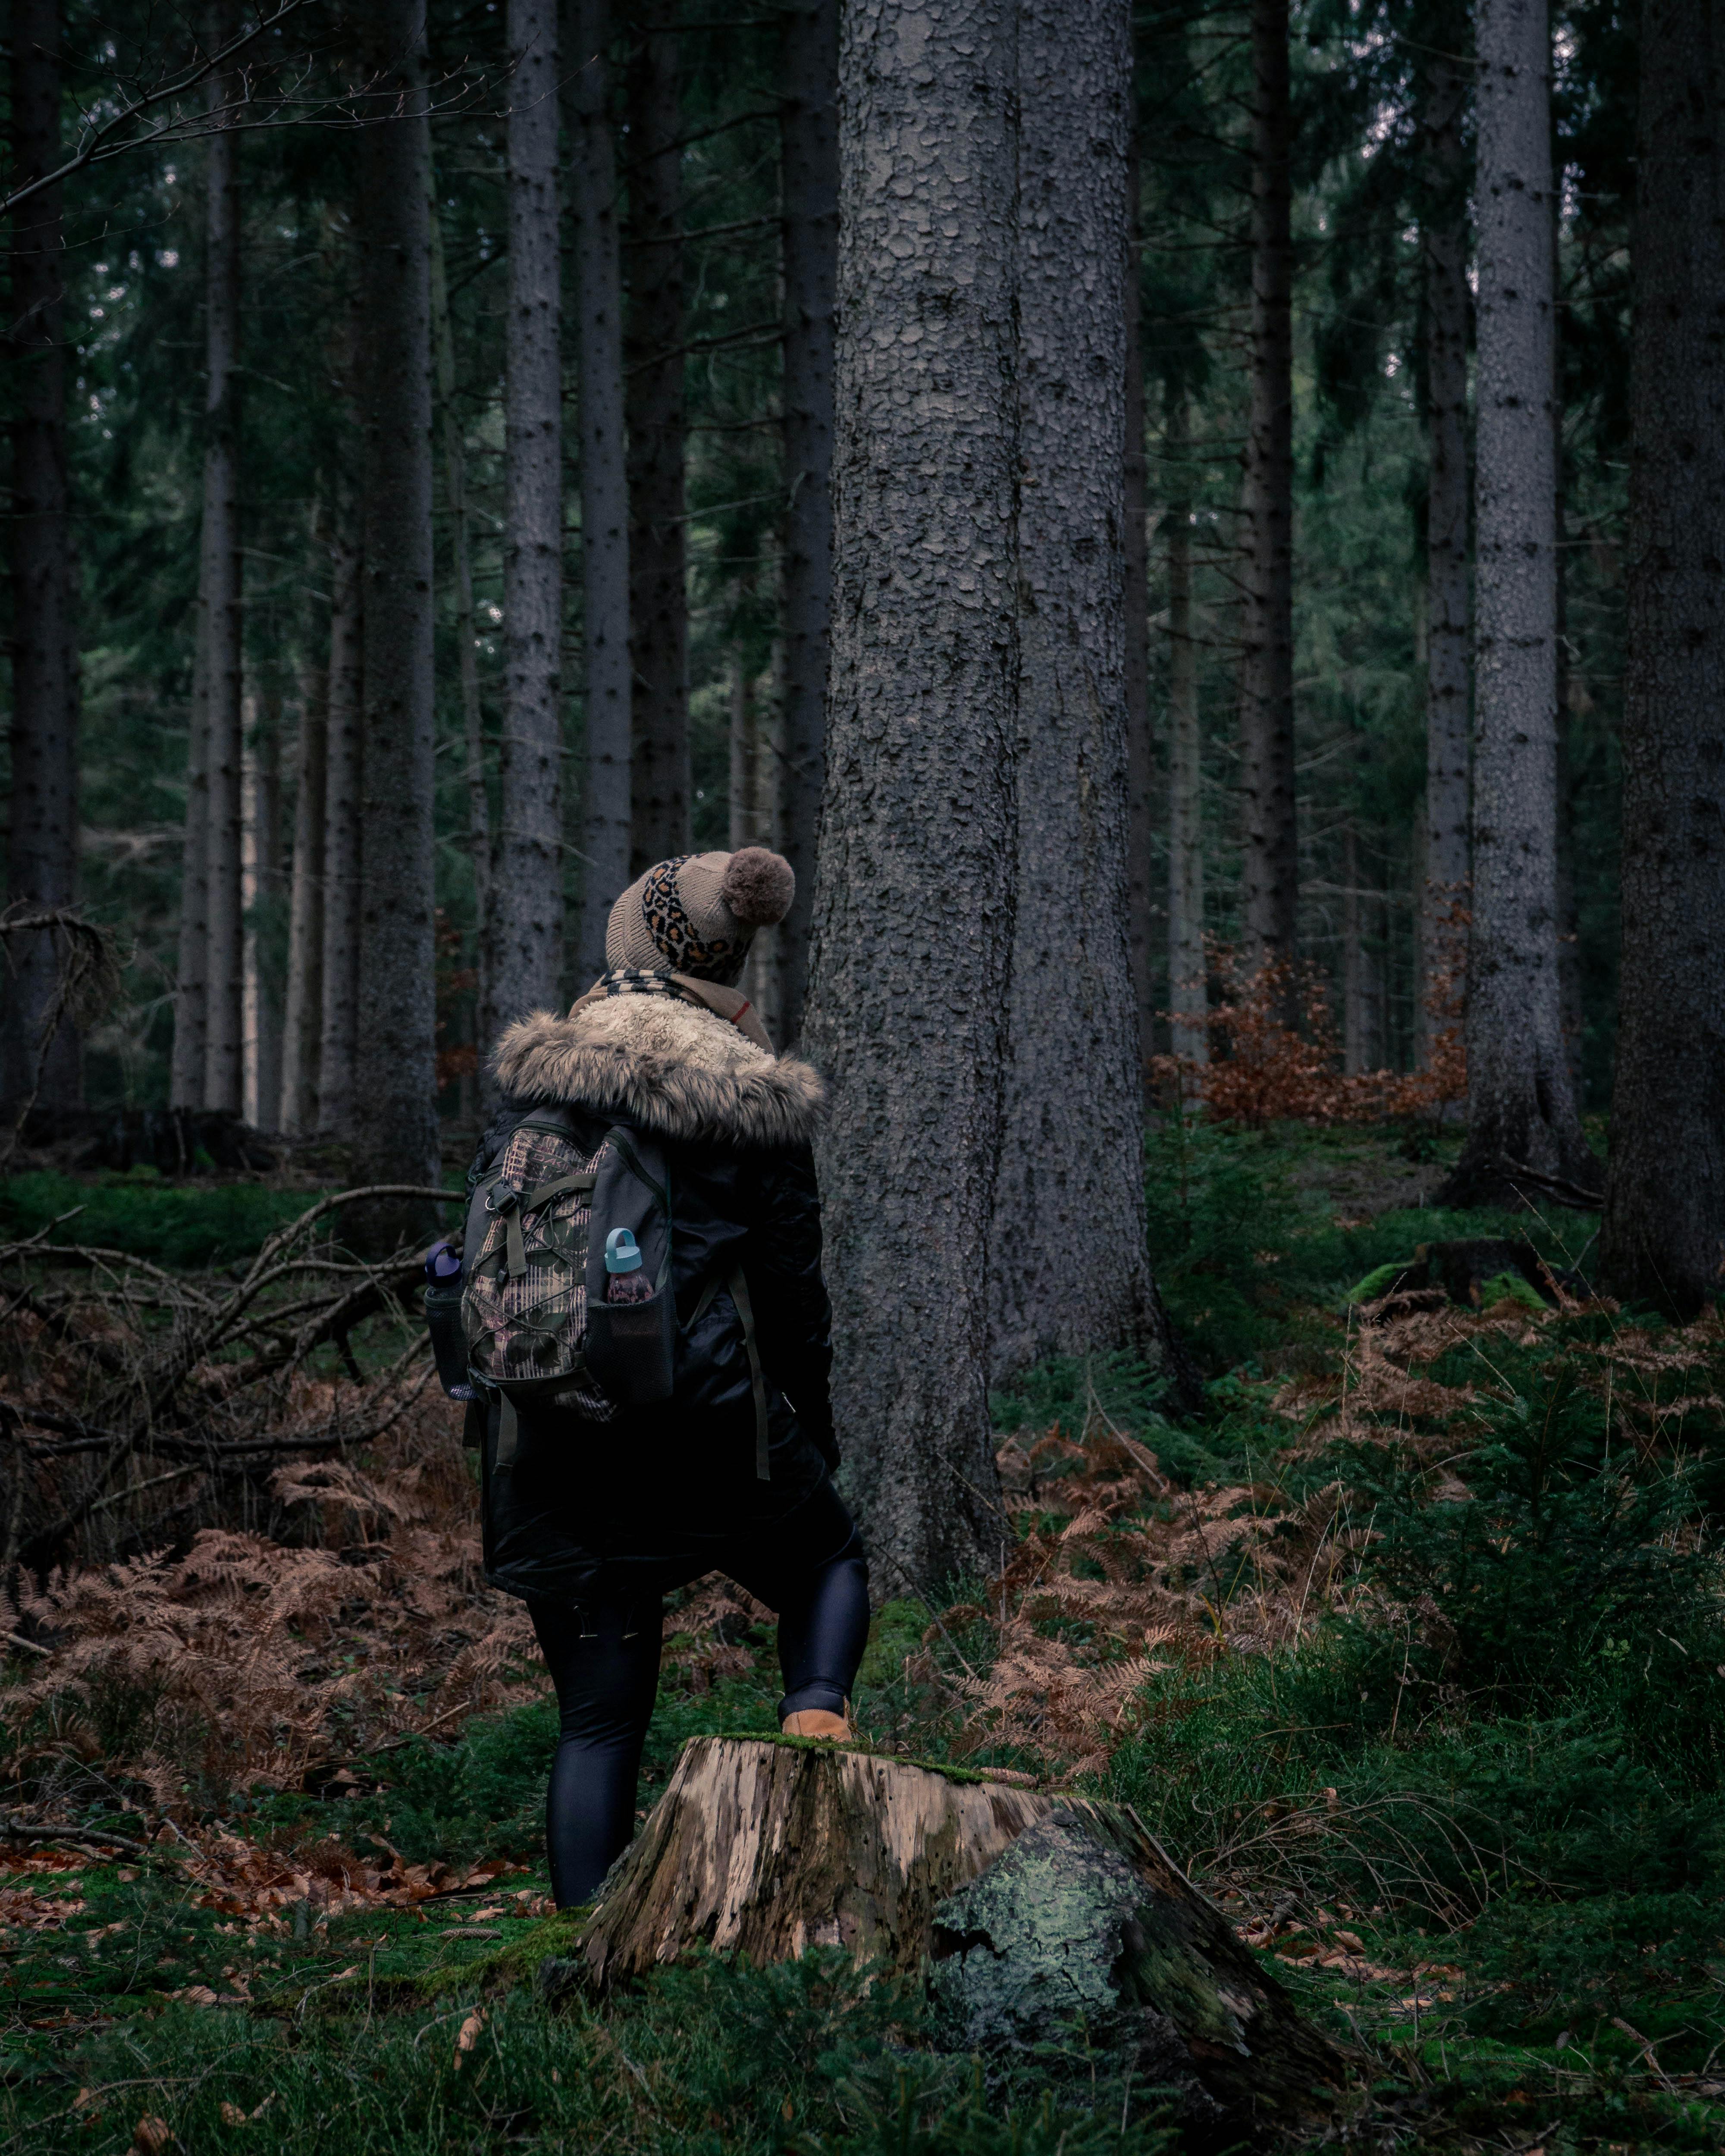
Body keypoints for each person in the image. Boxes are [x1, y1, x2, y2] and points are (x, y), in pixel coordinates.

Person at [468, 847, 870, 1907]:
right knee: (828, 1560)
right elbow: (793, 1296)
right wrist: (812, 1432)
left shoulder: (537, 1082)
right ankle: (813, 1742)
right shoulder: (751, 1101)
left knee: (598, 1722)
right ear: (727, 963)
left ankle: (579, 1954)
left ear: (626, 947)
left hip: (546, 1438)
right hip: (704, 1427)